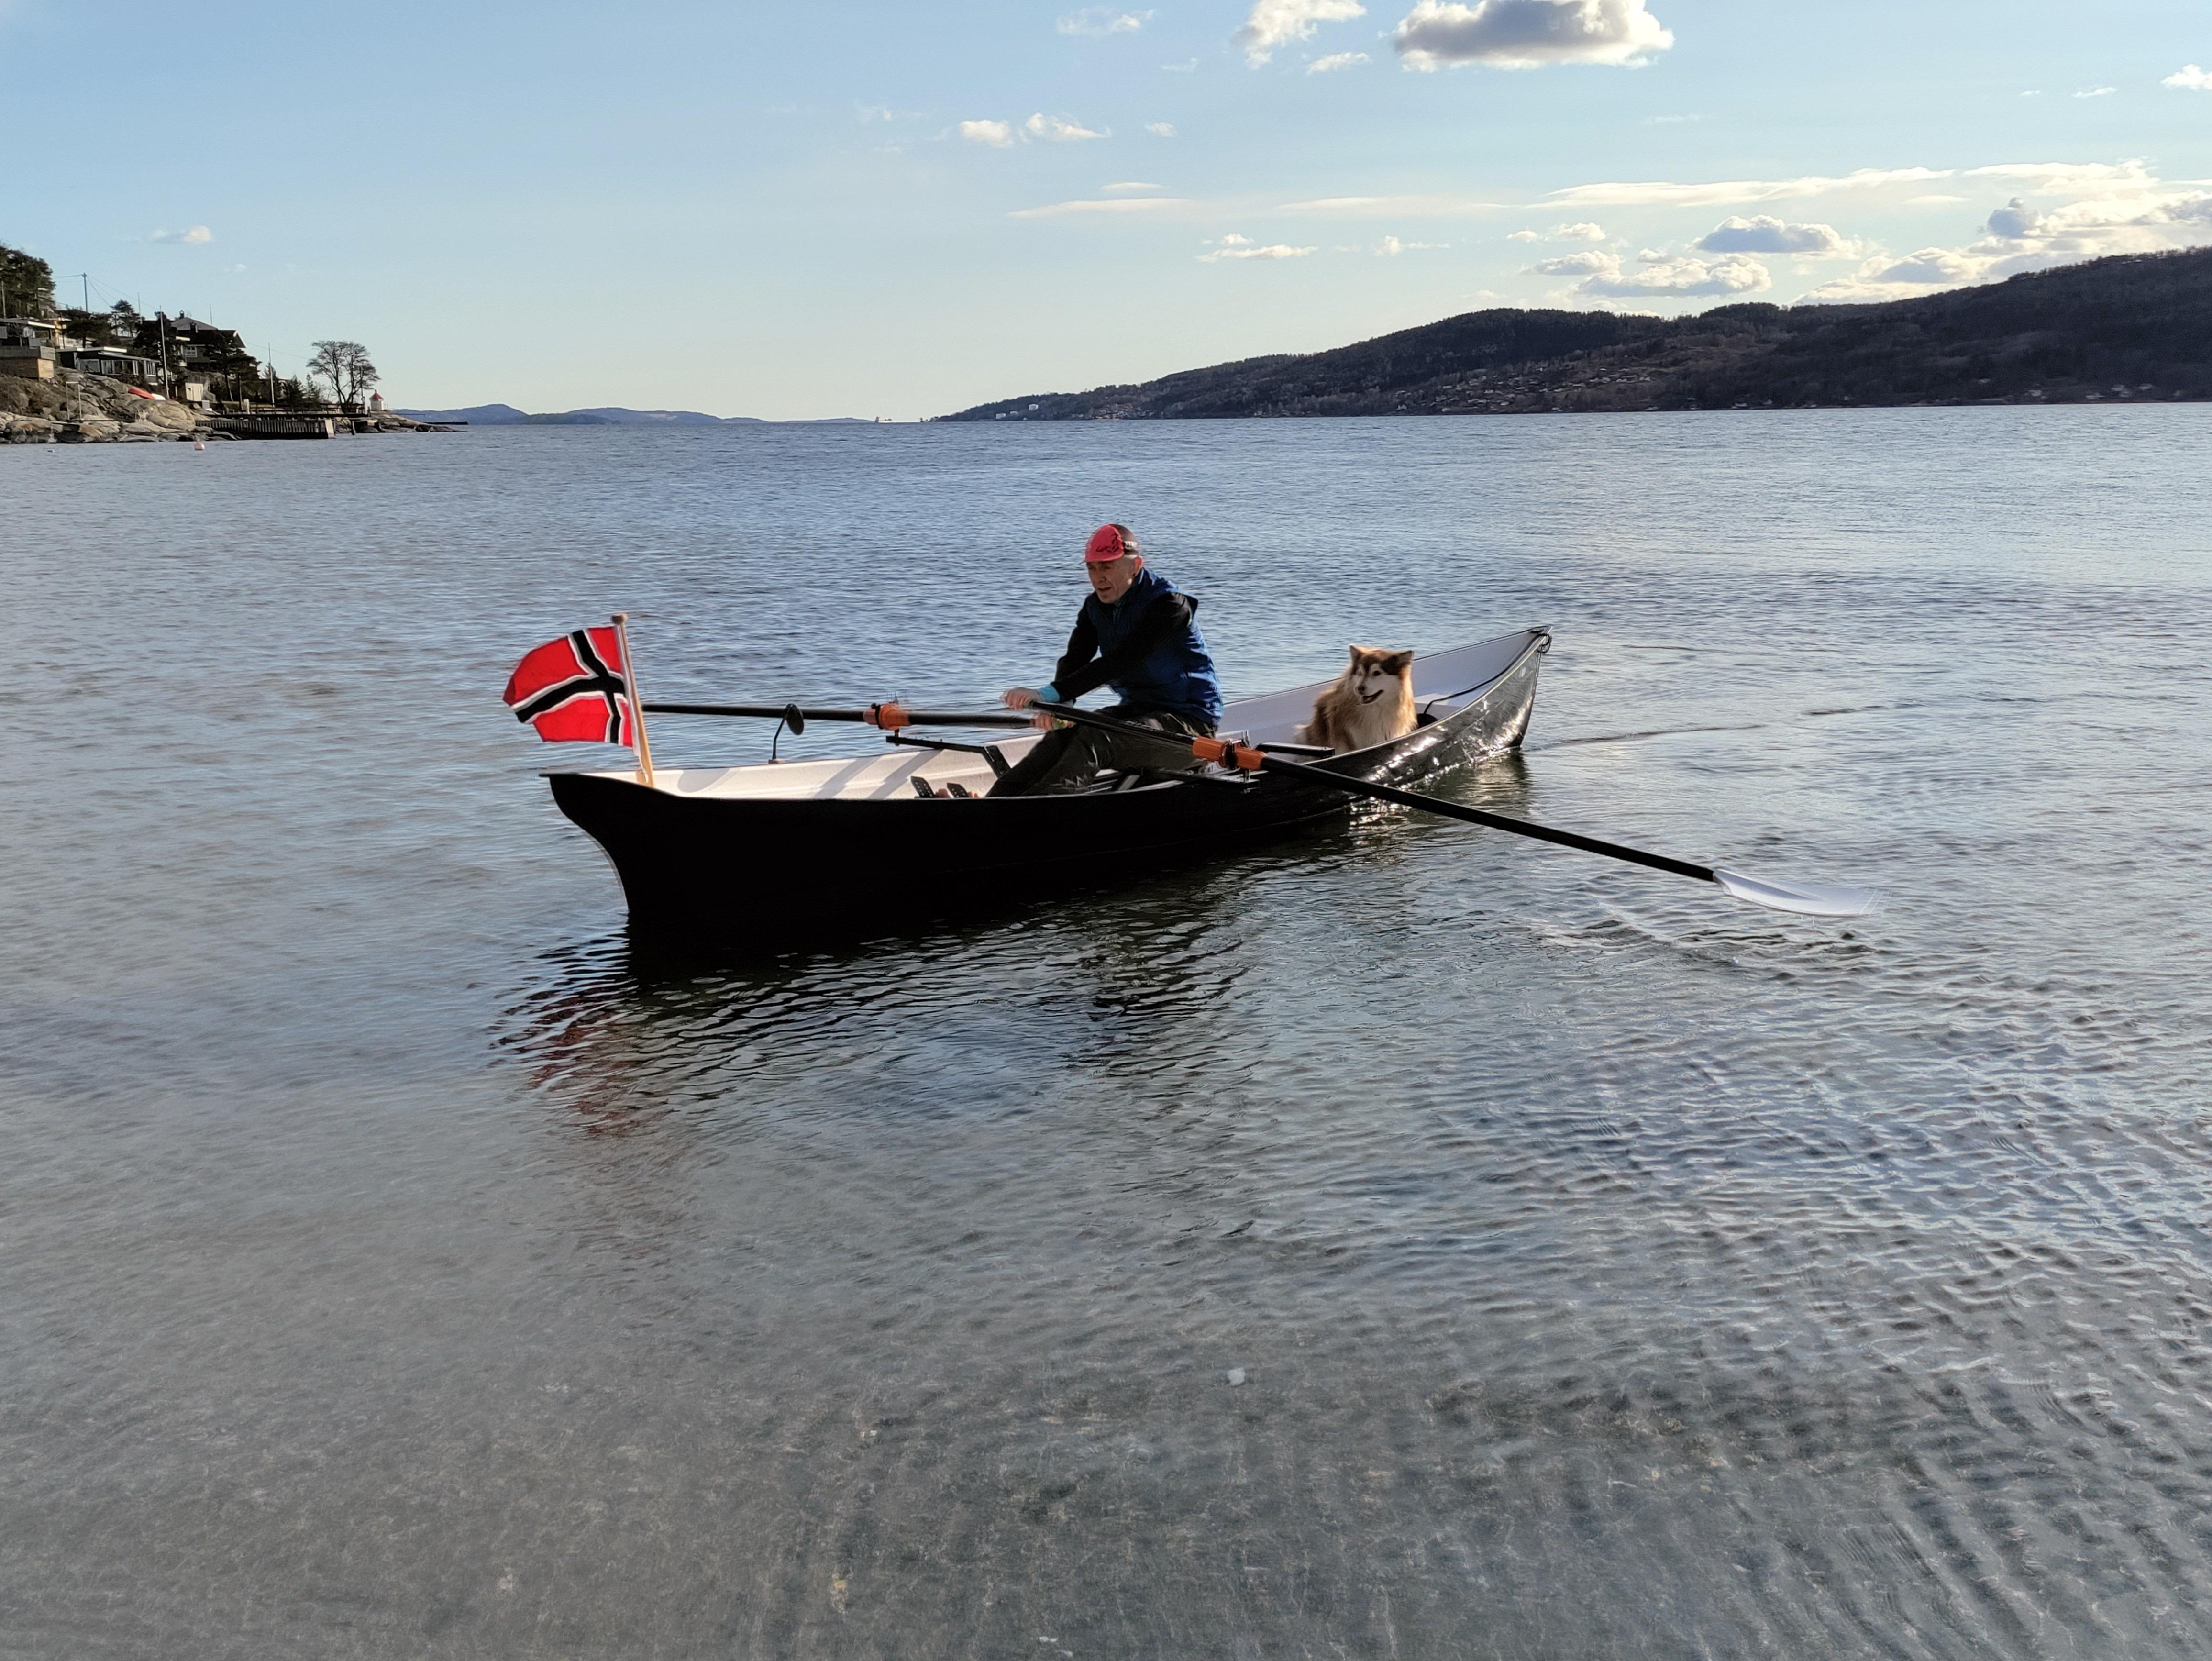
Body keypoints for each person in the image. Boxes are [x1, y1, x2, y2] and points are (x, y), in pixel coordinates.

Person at [986, 523, 1224, 797]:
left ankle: (1044, 807)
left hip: (1192, 726)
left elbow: (1120, 662)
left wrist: (1048, 694)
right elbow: (1075, 660)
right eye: (1092, 568)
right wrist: (1061, 707)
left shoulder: (1170, 606)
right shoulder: (1094, 607)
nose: (1098, 578)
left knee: (1096, 739)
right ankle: (996, 801)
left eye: (1107, 567)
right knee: (1066, 733)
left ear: (1135, 566)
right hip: (1139, 712)